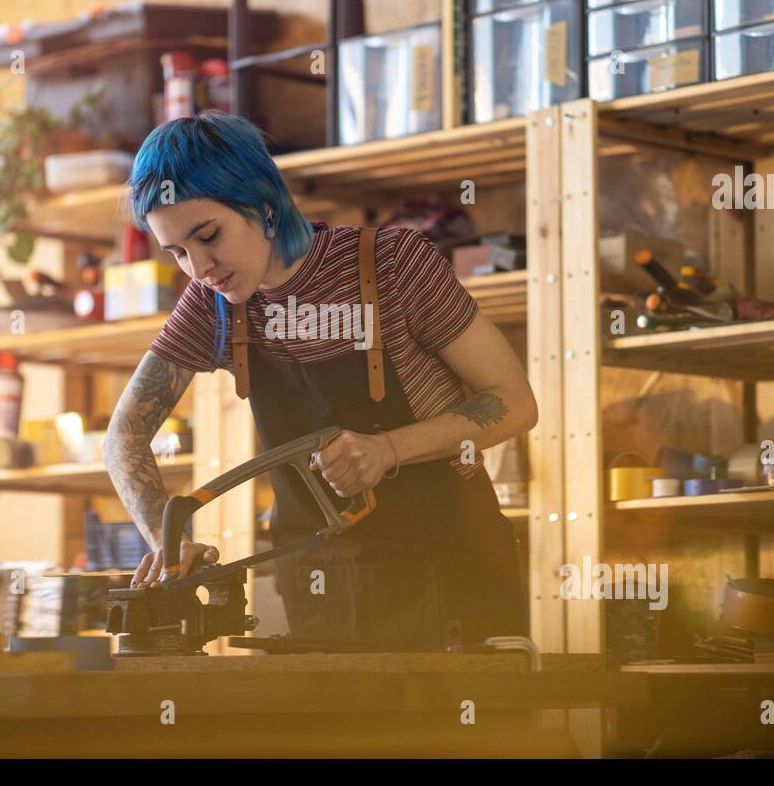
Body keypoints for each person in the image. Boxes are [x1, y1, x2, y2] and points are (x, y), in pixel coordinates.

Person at [103, 111, 538, 650]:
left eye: (208, 235)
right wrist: (170, 546)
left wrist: (387, 449)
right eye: (178, 253)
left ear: (262, 204)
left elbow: (515, 402)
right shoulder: (212, 305)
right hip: (320, 588)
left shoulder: (393, 264)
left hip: (452, 570)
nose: (201, 268)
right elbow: (124, 437)